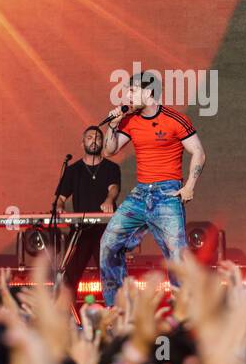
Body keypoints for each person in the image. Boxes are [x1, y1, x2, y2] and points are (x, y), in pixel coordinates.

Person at [98, 73, 205, 307]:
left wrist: (189, 186)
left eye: (133, 91)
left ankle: (184, 315)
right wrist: (113, 126)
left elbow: (198, 151)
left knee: (177, 256)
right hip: (140, 195)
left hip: (167, 194)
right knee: (109, 243)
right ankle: (117, 309)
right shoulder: (130, 121)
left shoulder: (175, 119)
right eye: (128, 91)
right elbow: (109, 151)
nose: (128, 96)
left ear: (148, 93)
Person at [55, 126, 121, 299]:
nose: (94, 141)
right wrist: (59, 206)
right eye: (90, 137)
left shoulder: (111, 168)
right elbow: (61, 198)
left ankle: (115, 315)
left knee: (111, 276)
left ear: (103, 142)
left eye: (98, 138)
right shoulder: (72, 170)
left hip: (104, 231)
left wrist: (109, 200)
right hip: (80, 231)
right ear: (82, 142)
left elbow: (113, 188)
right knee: (68, 277)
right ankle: (66, 319)